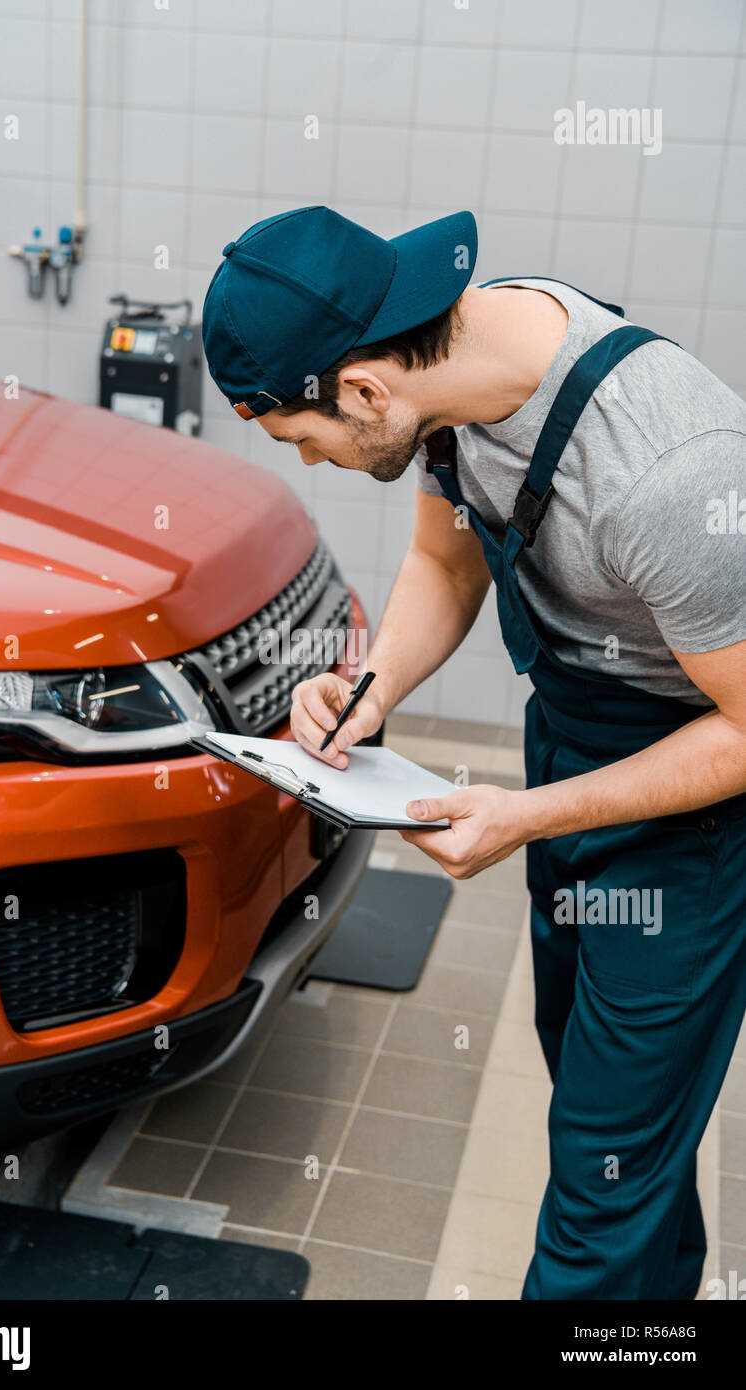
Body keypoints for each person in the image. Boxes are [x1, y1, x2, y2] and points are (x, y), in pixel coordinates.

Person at [201, 205, 746, 1300]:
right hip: (573, 745)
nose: (313, 459)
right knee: (610, 1114)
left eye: (302, 439)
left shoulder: (671, 473)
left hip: (692, 799)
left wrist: (525, 817)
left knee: (601, 1181)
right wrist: (370, 691)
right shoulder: (445, 373)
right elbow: (447, 570)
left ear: (363, 391)